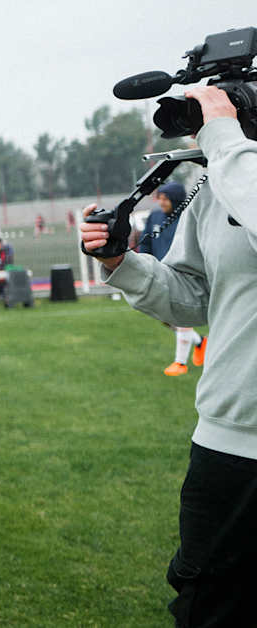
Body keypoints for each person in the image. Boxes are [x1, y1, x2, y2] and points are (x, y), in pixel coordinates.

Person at [80, 85, 257, 627]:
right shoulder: (224, 178)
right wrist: (122, 261)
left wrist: (224, 135)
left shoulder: (230, 162)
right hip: (230, 446)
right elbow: (193, 295)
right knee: (207, 608)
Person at [137, 182, 207, 376]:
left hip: (183, 274)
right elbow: (146, 240)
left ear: (175, 200)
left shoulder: (188, 215)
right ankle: (200, 342)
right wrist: (144, 262)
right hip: (160, 272)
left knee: (180, 316)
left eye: (165, 198)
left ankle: (180, 363)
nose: (161, 202)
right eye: (159, 198)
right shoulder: (155, 216)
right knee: (166, 318)